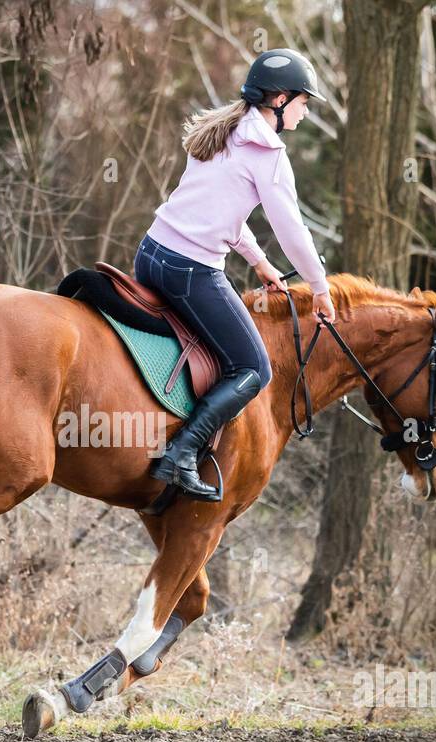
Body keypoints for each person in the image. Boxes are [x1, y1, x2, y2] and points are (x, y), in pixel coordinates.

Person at [137, 48, 336, 501]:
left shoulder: (223, 131)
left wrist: (259, 263)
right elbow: (294, 233)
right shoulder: (268, 153)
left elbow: (222, 212)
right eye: (305, 103)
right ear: (281, 100)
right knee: (253, 367)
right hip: (189, 270)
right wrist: (320, 289)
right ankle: (182, 453)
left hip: (150, 253)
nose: (305, 114)